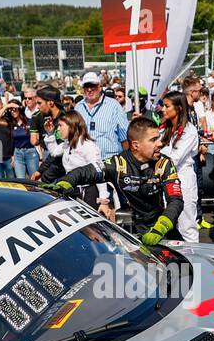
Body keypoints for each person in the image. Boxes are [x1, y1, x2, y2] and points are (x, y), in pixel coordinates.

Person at [44, 117, 184, 248]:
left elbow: (176, 200)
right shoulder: (118, 163)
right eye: (154, 140)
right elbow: (83, 172)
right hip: (130, 231)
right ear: (136, 145)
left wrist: (161, 227)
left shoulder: (164, 163)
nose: (160, 143)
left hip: (160, 227)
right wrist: (64, 183)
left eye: (158, 138)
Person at [42, 110, 108, 217]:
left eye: (60, 125)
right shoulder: (67, 144)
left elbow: (99, 172)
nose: (58, 129)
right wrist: (49, 134)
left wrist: (103, 201)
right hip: (74, 191)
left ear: (71, 126)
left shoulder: (87, 146)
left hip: (88, 193)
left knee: (90, 229)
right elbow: (54, 152)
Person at [158, 91, 200, 241]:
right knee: (167, 227)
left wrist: (156, 153)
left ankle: (195, 263)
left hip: (183, 181)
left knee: (186, 227)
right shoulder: (164, 129)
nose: (163, 109)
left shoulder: (190, 131)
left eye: (167, 106)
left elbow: (173, 159)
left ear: (179, 108)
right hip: (163, 181)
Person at [74, 72, 129, 161]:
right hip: (84, 163)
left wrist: (127, 161)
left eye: (93, 86)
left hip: (110, 161)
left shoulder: (114, 106)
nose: (89, 89)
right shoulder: (78, 107)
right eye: (86, 86)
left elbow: (125, 138)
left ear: (99, 87)